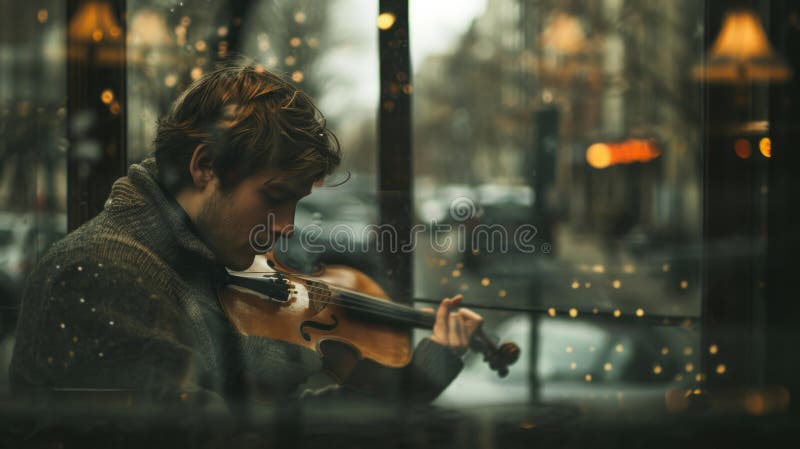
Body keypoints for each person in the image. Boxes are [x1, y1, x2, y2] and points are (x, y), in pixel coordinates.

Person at [10, 65, 483, 407]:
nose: (287, 225)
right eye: (274, 197)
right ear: (204, 166)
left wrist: (420, 377)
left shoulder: (200, 263)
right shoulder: (101, 273)